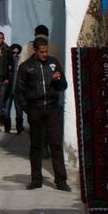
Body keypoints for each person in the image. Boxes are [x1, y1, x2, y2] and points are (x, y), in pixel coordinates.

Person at [15, 38, 70, 191]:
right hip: (36, 109)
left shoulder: (53, 63)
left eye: (46, 51)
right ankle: (36, 179)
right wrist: (28, 109)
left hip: (52, 109)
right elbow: (19, 91)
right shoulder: (26, 67)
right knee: (36, 145)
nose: (45, 54)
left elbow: (63, 86)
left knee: (56, 144)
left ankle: (61, 180)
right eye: (42, 52)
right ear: (35, 51)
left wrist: (57, 80)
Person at [0, 41, 22, 133]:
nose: (15, 55)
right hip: (8, 90)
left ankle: (19, 128)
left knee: (19, 111)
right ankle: (7, 128)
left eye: (17, 53)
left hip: (18, 90)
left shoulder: (20, 63)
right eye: (13, 53)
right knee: (6, 111)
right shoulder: (6, 62)